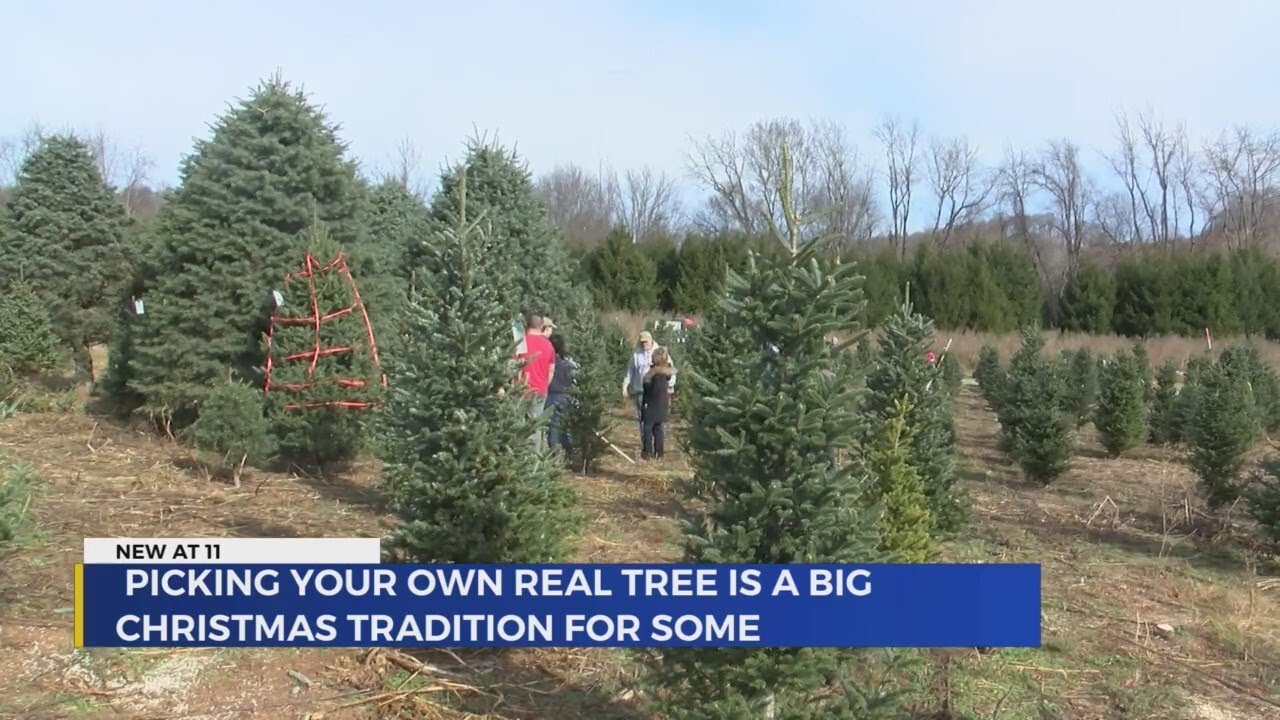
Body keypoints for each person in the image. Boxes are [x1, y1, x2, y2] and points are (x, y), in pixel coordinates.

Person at [622, 330, 676, 447]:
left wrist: (670, 386)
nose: (644, 344)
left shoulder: (659, 352)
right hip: (641, 390)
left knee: (657, 422)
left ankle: (657, 447)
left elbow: (670, 370)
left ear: (651, 340)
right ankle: (646, 446)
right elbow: (630, 371)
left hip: (658, 392)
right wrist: (625, 385)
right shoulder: (637, 354)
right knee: (643, 420)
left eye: (646, 342)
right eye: (641, 342)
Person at [515, 314, 556, 450]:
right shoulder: (548, 345)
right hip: (540, 391)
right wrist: (544, 385)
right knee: (535, 427)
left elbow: (515, 366)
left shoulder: (521, 341)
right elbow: (551, 371)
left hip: (521, 391)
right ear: (541, 327)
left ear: (527, 324)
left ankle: (518, 457)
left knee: (518, 426)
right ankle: (533, 461)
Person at [545, 331, 578, 454]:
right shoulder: (567, 363)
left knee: (553, 427)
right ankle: (569, 448)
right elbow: (573, 378)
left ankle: (554, 453)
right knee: (564, 425)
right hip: (565, 396)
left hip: (551, 396)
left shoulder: (550, 361)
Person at [641, 347, 675, 460]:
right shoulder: (666, 373)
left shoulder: (654, 373)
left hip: (652, 404)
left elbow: (648, 388)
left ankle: (647, 453)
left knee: (647, 428)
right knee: (659, 428)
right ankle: (659, 453)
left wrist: (646, 401)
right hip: (662, 404)